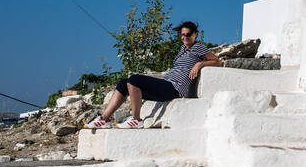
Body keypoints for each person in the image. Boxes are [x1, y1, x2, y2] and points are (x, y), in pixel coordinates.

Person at [85, 22, 221, 130]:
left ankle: (136, 119)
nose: (184, 37)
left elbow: (217, 62)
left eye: (188, 34)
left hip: (175, 88)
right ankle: (104, 119)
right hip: (165, 83)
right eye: (182, 35)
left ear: (195, 34)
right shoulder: (182, 49)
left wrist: (199, 65)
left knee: (135, 79)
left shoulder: (198, 47)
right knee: (123, 83)